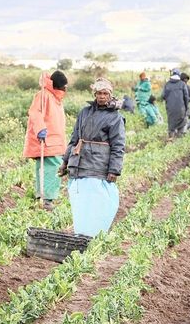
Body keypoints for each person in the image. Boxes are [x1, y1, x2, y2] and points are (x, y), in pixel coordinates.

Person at [59, 78, 125, 236]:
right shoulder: (85, 112)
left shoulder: (115, 117)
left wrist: (114, 170)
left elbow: (118, 146)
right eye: (99, 93)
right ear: (94, 94)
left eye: (105, 93)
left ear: (110, 95)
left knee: (97, 202)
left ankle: (94, 235)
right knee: (81, 202)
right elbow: (74, 139)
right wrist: (65, 161)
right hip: (80, 163)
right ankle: (81, 234)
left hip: (98, 165)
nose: (102, 96)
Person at [24, 70, 67, 210]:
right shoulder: (43, 96)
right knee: (52, 169)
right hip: (47, 141)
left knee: (45, 169)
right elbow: (35, 113)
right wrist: (40, 129)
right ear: (59, 86)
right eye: (64, 85)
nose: (65, 88)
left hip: (54, 141)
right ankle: (47, 199)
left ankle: (41, 197)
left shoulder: (55, 98)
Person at [161, 69, 190, 137]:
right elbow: (186, 97)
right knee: (181, 125)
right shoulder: (182, 84)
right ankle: (179, 140)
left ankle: (171, 139)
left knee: (171, 125)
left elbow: (163, 96)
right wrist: (186, 108)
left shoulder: (167, 84)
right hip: (181, 109)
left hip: (170, 109)